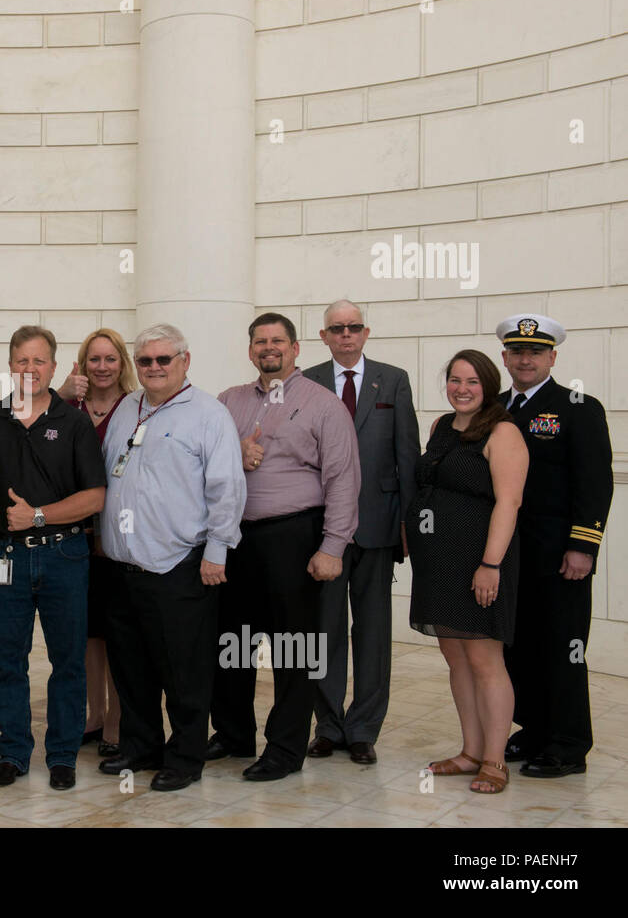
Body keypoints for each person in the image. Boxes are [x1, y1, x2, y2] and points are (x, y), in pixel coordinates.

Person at [210, 313, 360, 781]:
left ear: (296, 349)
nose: (268, 348)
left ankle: (285, 748)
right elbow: (203, 459)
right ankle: (233, 733)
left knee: (293, 647)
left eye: (278, 341)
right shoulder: (226, 401)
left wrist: (333, 546)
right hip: (234, 538)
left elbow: (342, 478)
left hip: (294, 536)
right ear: (250, 349)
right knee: (231, 642)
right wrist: (235, 451)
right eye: (260, 341)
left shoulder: (324, 405)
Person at [98, 324, 245, 791]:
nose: (155, 368)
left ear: (185, 361)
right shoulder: (127, 407)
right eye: (145, 361)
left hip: (180, 564)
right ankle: (141, 747)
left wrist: (218, 550)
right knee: (131, 666)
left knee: (184, 671)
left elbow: (227, 487)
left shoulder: (208, 414)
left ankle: (184, 757)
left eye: (164, 359)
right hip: (122, 566)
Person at [0, 325, 107, 791]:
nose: (30, 369)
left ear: (53, 366)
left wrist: (39, 517)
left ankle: (62, 755)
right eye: (22, 361)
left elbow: (95, 498)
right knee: (8, 661)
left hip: (64, 555)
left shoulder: (75, 423)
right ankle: (14, 753)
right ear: (10, 365)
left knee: (68, 659)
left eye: (39, 361)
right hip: (4, 556)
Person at [302, 300, 419, 765]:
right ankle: (328, 726)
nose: (346, 335)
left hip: (378, 525)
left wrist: (410, 525)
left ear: (365, 333)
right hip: (322, 530)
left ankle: (364, 728)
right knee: (323, 631)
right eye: (337, 328)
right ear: (324, 335)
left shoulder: (393, 379)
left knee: (372, 631)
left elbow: (408, 454)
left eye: (353, 327)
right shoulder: (306, 380)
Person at [495, 315, 612, 779]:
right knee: (516, 648)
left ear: (552, 358)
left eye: (535, 352)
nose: (526, 359)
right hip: (507, 555)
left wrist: (583, 546)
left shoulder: (578, 407)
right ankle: (535, 728)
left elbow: (595, 483)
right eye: (517, 352)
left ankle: (568, 743)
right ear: (505, 358)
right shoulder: (494, 408)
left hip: (558, 555)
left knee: (563, 648)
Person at [407, 350, 527, 795]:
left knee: (485, 660)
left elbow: (508, 503)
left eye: (472, 382)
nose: (462, 389)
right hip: (437, 563)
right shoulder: (440, 427)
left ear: (489, 385)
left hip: (479, 562)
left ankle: (495, 761)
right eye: (455, 380)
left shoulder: (503, 432)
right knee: (456, 658)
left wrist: (490, 565)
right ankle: (471, 751)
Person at [58, 328, 136, 756]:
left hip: (120, 536)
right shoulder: (67, 407)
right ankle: (93, 713)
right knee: (87, 633)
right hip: (75, 536)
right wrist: (61, 391)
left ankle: (118, 719)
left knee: (117, 631)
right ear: (82, 364)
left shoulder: (137, 407)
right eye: (94, 359)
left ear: (121, 363)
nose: (102, 367)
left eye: (110, 359)